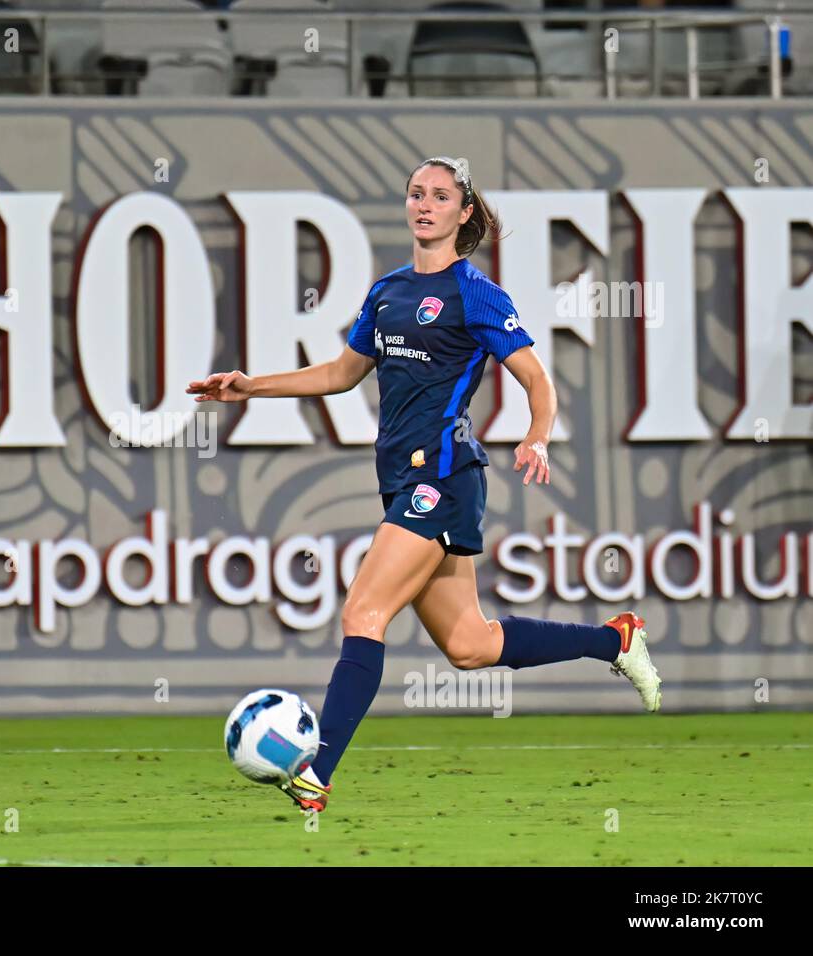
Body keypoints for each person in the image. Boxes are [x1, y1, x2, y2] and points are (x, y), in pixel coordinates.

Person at [187, 157, 661, 812]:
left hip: (442, 477)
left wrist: (537, 435)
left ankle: (316, 772)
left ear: (464, 213)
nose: (425, 204)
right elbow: (338, 373)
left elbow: (537, 381)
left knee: (364, 612)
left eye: (440, 196)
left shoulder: (476, 292)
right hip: (402, 480)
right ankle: (617, 640)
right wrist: (249, 386)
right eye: (416, 193)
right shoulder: (387, 291)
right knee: (471, 645)